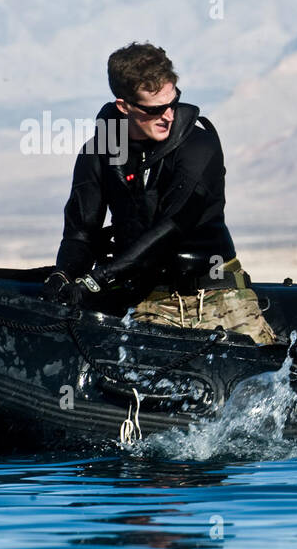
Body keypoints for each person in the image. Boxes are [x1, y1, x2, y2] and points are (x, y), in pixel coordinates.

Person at [40, 42, 276, 345]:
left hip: (217, 300)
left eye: (173, 102)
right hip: (145, 302)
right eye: (154, 110)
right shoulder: (99, 151)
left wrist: (97, 280)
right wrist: (64, 277)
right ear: (124, 106)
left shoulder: (199, 146)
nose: (167, 115)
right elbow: (80, 234)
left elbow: (172, 226)